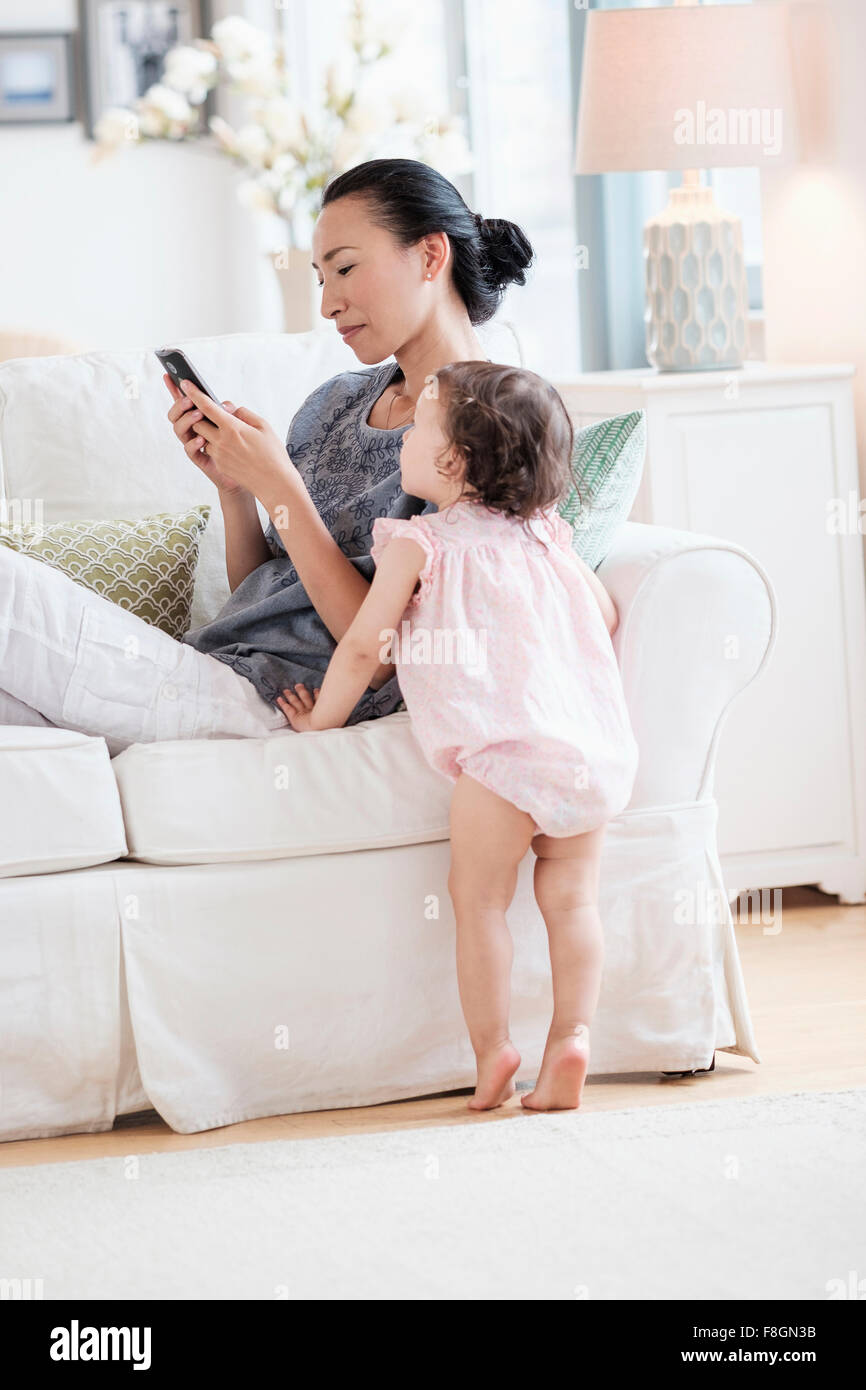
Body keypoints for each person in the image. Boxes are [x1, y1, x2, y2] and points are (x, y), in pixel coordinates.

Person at [0, 159, 533, 753]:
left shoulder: (488, 432)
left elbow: (384, 655)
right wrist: (237, 490)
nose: (328, 304)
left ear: (431, 256)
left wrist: (281, 487)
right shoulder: (335, 401)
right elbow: (264, 588)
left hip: (281, 698)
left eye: (345, 268)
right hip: (207, 670)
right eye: (321, 278)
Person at [276, 361, 640, 1112]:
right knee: (574, 903)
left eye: (417, 428)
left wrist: (320, 719)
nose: (405, 441)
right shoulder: (549, 537)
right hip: (588, 756)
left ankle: (494, 1051)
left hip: (499, 760)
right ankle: (572, 1038)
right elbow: (605, 616)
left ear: (450, 463)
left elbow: (365, 646)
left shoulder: (422, 543)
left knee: (479, 904)